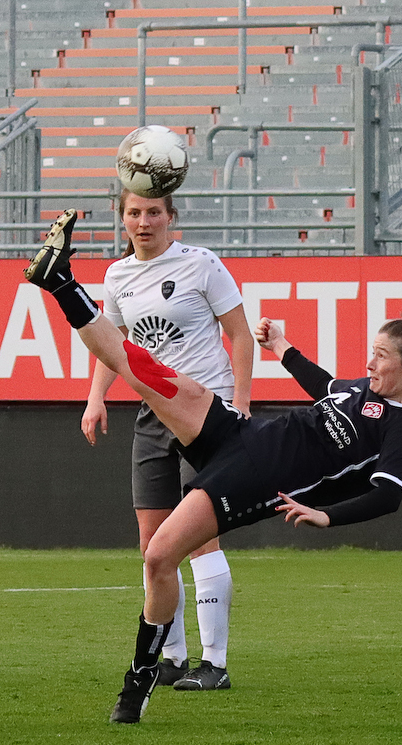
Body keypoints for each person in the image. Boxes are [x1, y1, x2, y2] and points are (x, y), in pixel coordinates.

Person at [25, 208, 402, 724]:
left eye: (381, 356)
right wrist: (281, 346)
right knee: (139, 365)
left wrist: (327, 515)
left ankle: (140, 678)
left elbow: (390, 493)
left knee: (158, 557)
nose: (370, 363)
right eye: (372, 352)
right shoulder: (363, 391)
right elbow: (322, 384)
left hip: (253, 479)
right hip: (240, 433)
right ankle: (60, 281)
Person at [81, 190, 253, 691]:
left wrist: (241, 403)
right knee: (152, 542)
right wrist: (96, 398)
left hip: (206, 410)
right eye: (134, 213)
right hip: (153, 411)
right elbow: (112, 347)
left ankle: (214, 663)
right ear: (122, 219)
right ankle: (172, 657)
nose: (143, 221)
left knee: (199, 538)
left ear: (170, 217)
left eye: (154, 212)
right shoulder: (117, 275)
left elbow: (240, 335)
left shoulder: (201, 263)